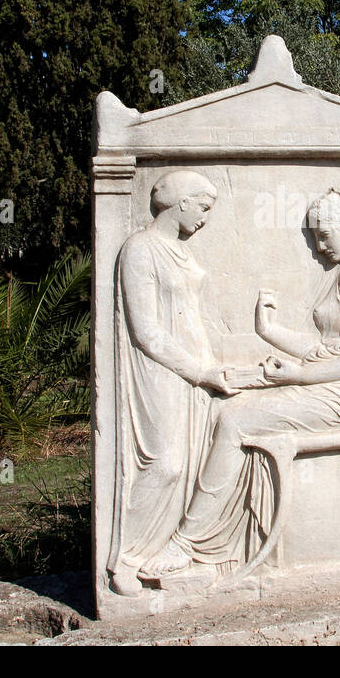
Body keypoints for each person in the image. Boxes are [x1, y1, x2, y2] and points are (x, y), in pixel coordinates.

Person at [141, 188, 340, 576]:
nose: (318, 246)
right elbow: (323, 348)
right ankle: (231, 537)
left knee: (236, 420)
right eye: (315, 237)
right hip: (331, 382)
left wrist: (301, 376)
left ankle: (188, 543)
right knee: (227, 401)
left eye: (324, 235)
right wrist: (269, 331)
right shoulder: (338, 276)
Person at [106, 170, 234, 596]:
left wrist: (212, 365)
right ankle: (126, 558)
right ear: (179, 201)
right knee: (166, 464)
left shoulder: (181, 252)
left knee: (192, 464)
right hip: (160, 371)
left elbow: (192, 318)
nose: (205, 218)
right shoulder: (140, 249)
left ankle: (166, 554)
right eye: (202, 207)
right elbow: (146, 330)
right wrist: (198, 369)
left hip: (196, 371)